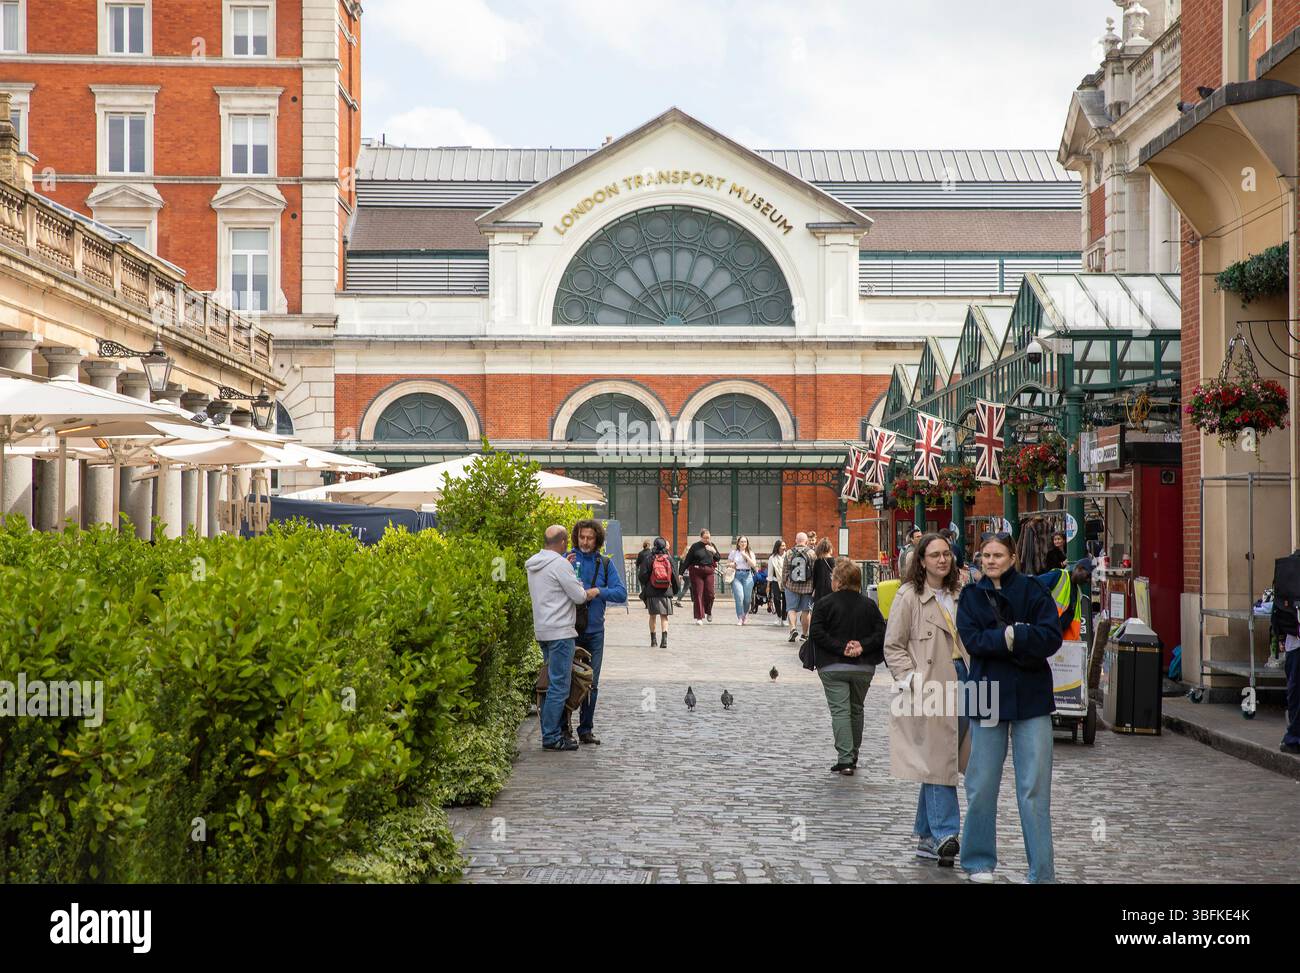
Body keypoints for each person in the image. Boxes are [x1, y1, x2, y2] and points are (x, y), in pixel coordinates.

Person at [956, 531, 1063, 883]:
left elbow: (1051, 637)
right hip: (987, 693)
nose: (990, 561)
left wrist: (1019, 636)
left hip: (1031, 695)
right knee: (982, 782)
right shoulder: (971, 596)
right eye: (985, 555)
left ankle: (1042, 872)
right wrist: (1010, 637)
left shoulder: (1034, 591)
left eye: (997, 555)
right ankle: (977, 861)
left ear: (1013, 557)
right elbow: (972, 640)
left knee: (1034, 788)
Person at [883, 532, 971, 868]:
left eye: (946, 554)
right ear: (921, 560)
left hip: (965, 679)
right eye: (934, 555)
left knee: (944, 756)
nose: (942, 560)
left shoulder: (961, 593)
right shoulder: (909, 596)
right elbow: (893, 645)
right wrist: (910, 679)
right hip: (929, 685)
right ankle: (946, 833)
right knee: (938, 758)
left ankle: (925, 835)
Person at [809, 559, 885, 776]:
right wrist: (861, 646)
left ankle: (845, 759)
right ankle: (853, 754)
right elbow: (880, 632)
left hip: (832, 666)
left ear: (838, 581)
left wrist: (841, 648)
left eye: (833, 578)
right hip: (863, 667)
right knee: (856, 709)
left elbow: (816, 632)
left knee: (840, 711)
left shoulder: (824, 604)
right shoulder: (869, 605)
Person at [526, 525, 598, 752]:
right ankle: (551, 736)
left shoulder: (534, 563)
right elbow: (578, 596)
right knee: (560, 685)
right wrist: (593, 592)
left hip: (542, 630)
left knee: (549, 683)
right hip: (560, 632)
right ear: (564, 541)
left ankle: (551, 731)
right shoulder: (560, 565)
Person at [566, 519, 627, 746]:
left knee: (591, 682)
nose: (585, 541)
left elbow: (621, 593)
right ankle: (565, 727)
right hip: (569, 630)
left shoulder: (604, 563)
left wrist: (597, 592)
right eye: (582, 537)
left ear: (597, 539)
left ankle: (586, 729)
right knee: (567, 680)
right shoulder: (567, 560)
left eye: (590, 538)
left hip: (594, 631)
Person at [638, 536, 680, 648]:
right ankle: (664, 641)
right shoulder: (669, 559)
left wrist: (647, 583)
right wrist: (674, 590)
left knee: (652, 616)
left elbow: (642, 575)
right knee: (664, 617)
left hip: (652, 591)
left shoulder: (649, 558)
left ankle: (653, 640)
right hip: (666, 591)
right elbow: (675, 576)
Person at [1035, 560, 1091, 641]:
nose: (1088, 580)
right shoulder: (1059, 575)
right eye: (1088, 575)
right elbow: (1033, 586)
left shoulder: (1078, 593)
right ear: (1079, 569)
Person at [783, 531, 816, 644]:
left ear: (796, 541)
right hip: (807, 587)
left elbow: (785, 571)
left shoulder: (789, 553)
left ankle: (793, 629)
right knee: (806, 611)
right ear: (806, 541)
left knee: (791, 609)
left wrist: (784, 584)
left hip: (792, 586)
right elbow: (814, 571)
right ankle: (805, 635)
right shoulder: (812, 553)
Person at [683, 529, 721, 625]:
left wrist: (713, 551)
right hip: (696, 571)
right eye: (705, 538)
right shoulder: (695, 546)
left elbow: (718, 558)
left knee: (710, 594)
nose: (707, 539)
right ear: (701, 537)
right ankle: (699, 617)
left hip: (709, 571)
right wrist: (680, 572)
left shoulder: (712, 545)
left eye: (708, 537)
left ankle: (708, 611)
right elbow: (687, 560)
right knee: (698, 594)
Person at [728, 535, 759, 625]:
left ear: (747, 543)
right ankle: (740, 617)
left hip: (748, 576)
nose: (743, 543)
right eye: (741, 541)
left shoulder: (750, 553)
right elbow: (727, 563)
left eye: (745, 542)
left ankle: (745, 614)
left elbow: (753, 565)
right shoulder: (734, 552)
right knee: (739, 597)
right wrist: (731, 564)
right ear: (738, 543)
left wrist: (746, 556)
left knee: (747, 599)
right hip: (736, 575)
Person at [767, 539, 787, 623]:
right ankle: (779, 616)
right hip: (775, 581)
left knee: (786, 600)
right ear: (778, 547)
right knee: (777, 599)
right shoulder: (772, 558)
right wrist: (768, 585)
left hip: (786, 581)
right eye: (782, 546)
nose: (784, 547)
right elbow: (770, 572)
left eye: (784, 545)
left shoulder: (788, 556)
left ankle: (784, 619)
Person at [812, 537, 834, 604]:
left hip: (820, 589)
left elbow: (814, 578)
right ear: (830, 548)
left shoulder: (817, 561)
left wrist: (813, 590)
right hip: (831, 588)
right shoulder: (834, 561)